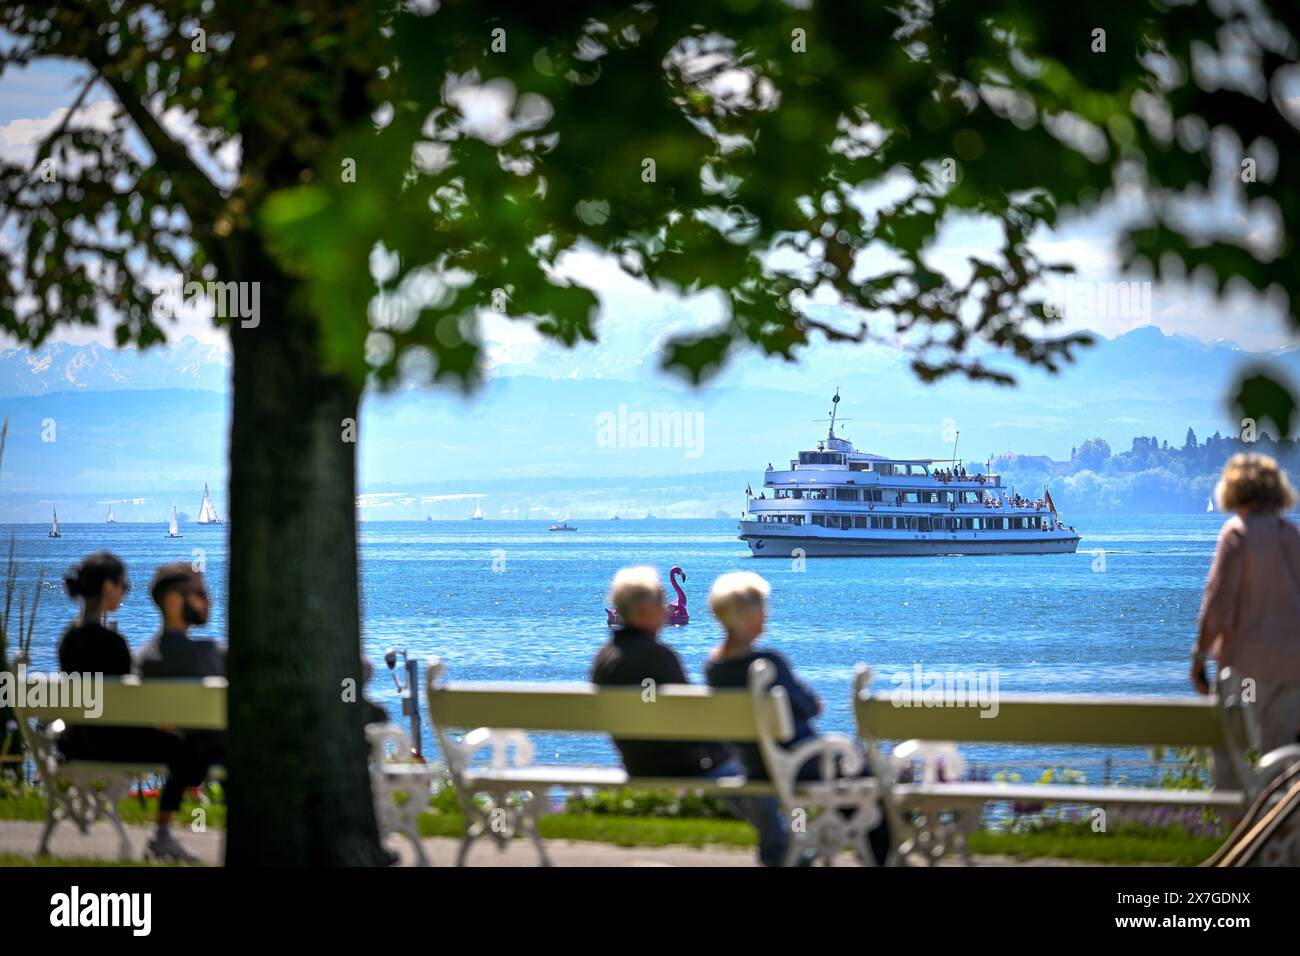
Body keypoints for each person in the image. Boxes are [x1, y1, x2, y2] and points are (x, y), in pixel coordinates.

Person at [591, 566, 788, 866]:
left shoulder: (603, 659)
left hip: (636, 761)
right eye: (661, 602)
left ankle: (780, 849)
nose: (665, 609)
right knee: (752, 775)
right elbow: (692, 716)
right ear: (645, 610)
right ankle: (780, 852)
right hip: (678, 763)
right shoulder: (657, 655)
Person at [704, 571, 891, 865]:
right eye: (763, 608)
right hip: (799, 762)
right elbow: (810, 707)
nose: (766, 615)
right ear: (750, 615)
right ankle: (879, 857)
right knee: (866, 773)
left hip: (755, 765)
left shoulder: (713, 669)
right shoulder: (769, 664)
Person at [57, 554, 188, 858]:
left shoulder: (67, 640)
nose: (126, 590)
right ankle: (163, 834)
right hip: (117, 745)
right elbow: (135, 706)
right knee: (190, 746)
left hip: (81, 743)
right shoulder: (112, 644)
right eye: (123, 584)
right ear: (107, 587)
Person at [1192, 454, 1300, 768]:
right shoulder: (1292, 536)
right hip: (1293, 668)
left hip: (1245, 664)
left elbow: (1217, 606)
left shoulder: (1236, 533)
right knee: (1284, 758)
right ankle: (1280, 815)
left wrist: (1199, 656)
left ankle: (1241, 816)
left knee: (1230, 757)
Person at [134, 562, 227, 862]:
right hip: (213, 751)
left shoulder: (144, 658)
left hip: (172, 749)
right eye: (199, 592)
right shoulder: (209, 654)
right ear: (174, 601)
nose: (208, 600)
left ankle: (162, 834)